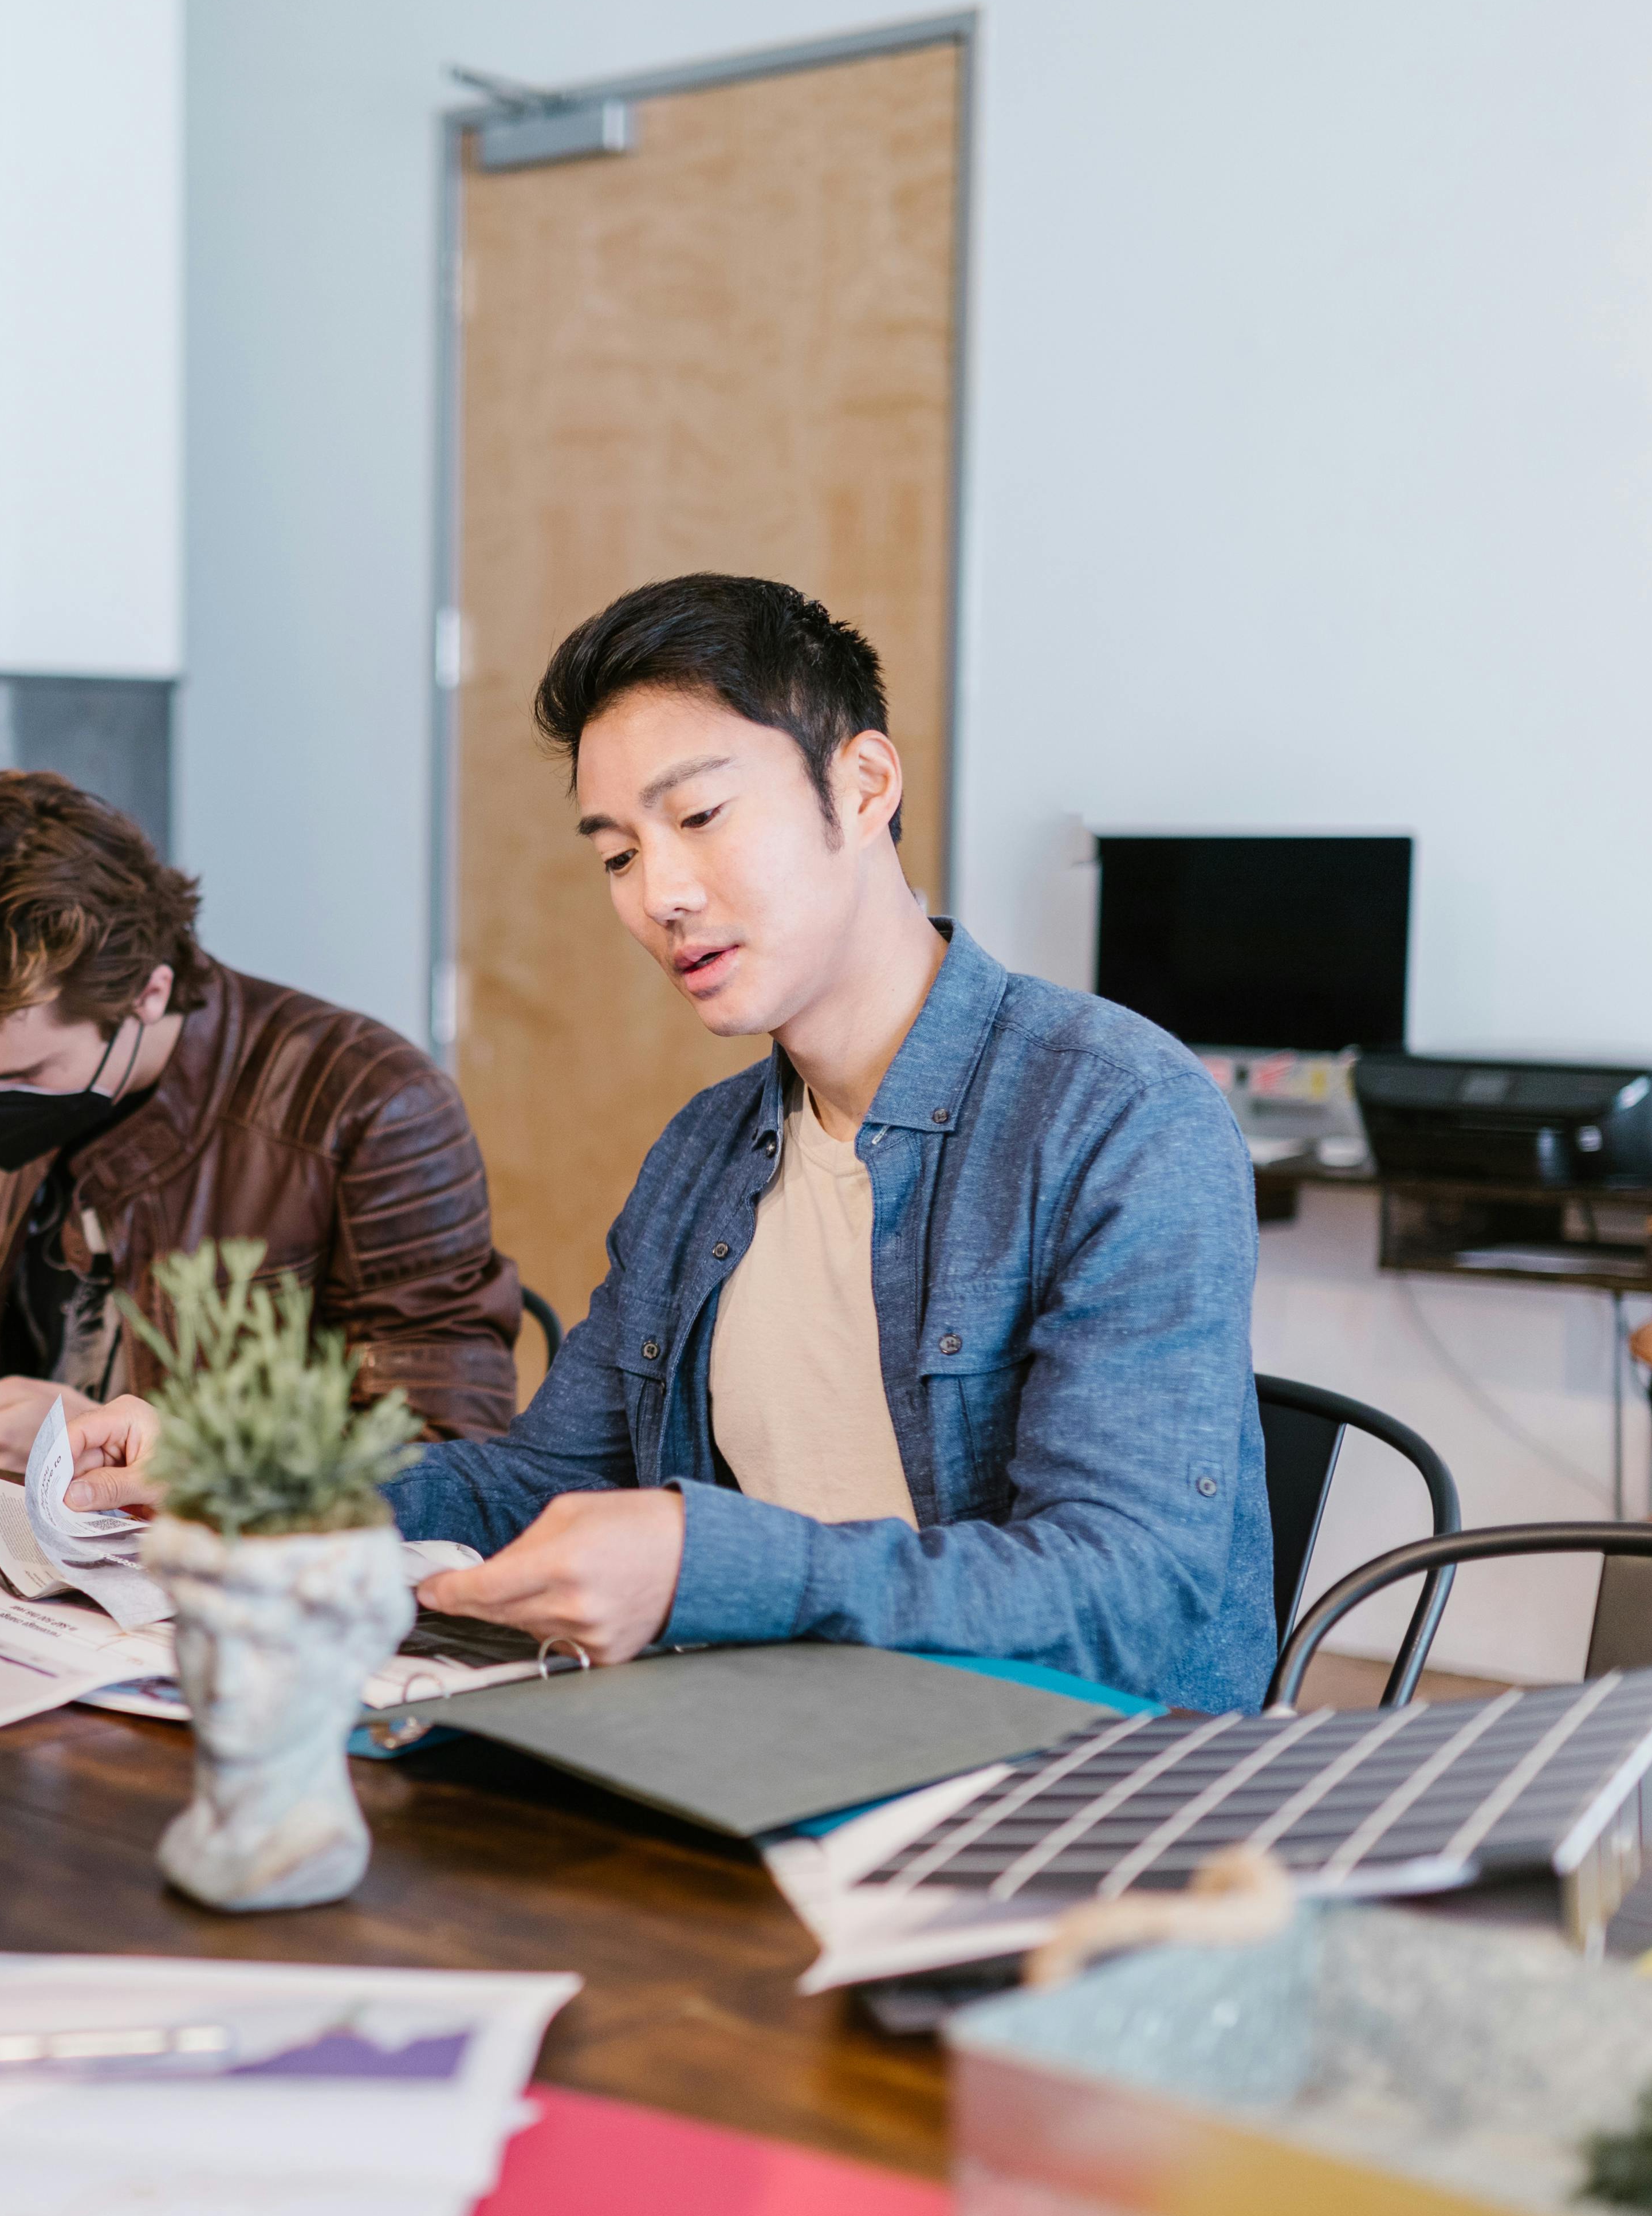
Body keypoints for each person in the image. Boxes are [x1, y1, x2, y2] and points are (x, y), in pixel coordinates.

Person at [68, 573, 1271, 1713]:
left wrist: (712, 1562)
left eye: (697, 815)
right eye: (617, 854)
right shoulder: (708, 1150)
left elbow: (1123, 1597)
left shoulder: (1116, 1112)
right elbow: (538, 1482)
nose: (659, 894)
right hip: (772, 1734)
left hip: (1055, 1778)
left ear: (861, 787)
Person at [0, 769, 525, 1458]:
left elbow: (445, 1450)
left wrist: (175, 1451)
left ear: (149, 994)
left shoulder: (372, 1104)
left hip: (223, 1579)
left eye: (27, 1073)